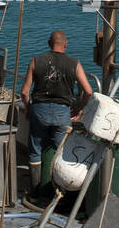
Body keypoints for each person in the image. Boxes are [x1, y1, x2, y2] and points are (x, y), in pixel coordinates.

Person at [20, 30, 92, 201]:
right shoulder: (74, 63)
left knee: (35, 152)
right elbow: (88, 91)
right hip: (62, 112)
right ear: (65, 44)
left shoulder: (36, 61)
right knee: (63, 154)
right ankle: (63, 196)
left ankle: (35, 194)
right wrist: (78, 108)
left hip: (39, 110)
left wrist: (28, 108)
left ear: (48, 43)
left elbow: (24, 92)